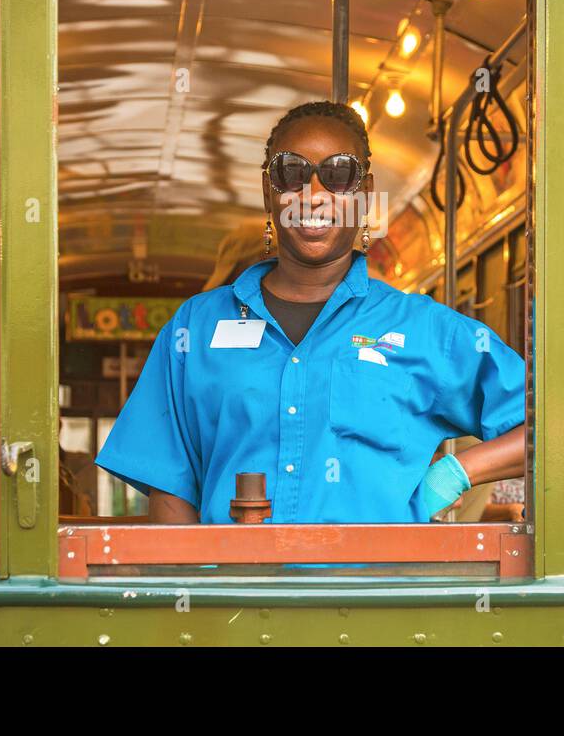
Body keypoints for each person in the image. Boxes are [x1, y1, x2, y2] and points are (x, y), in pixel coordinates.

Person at [96, 101, 526, 523]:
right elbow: (170, 489)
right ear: (269, 192)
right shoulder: (195, 327)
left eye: (340, 175)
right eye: (292, 173)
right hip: (232, 590)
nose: (315, 195)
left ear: (365, 195)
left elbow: (551, 428)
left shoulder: (423, 329)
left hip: (385, 589)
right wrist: (189, 588)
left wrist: (457, 473)